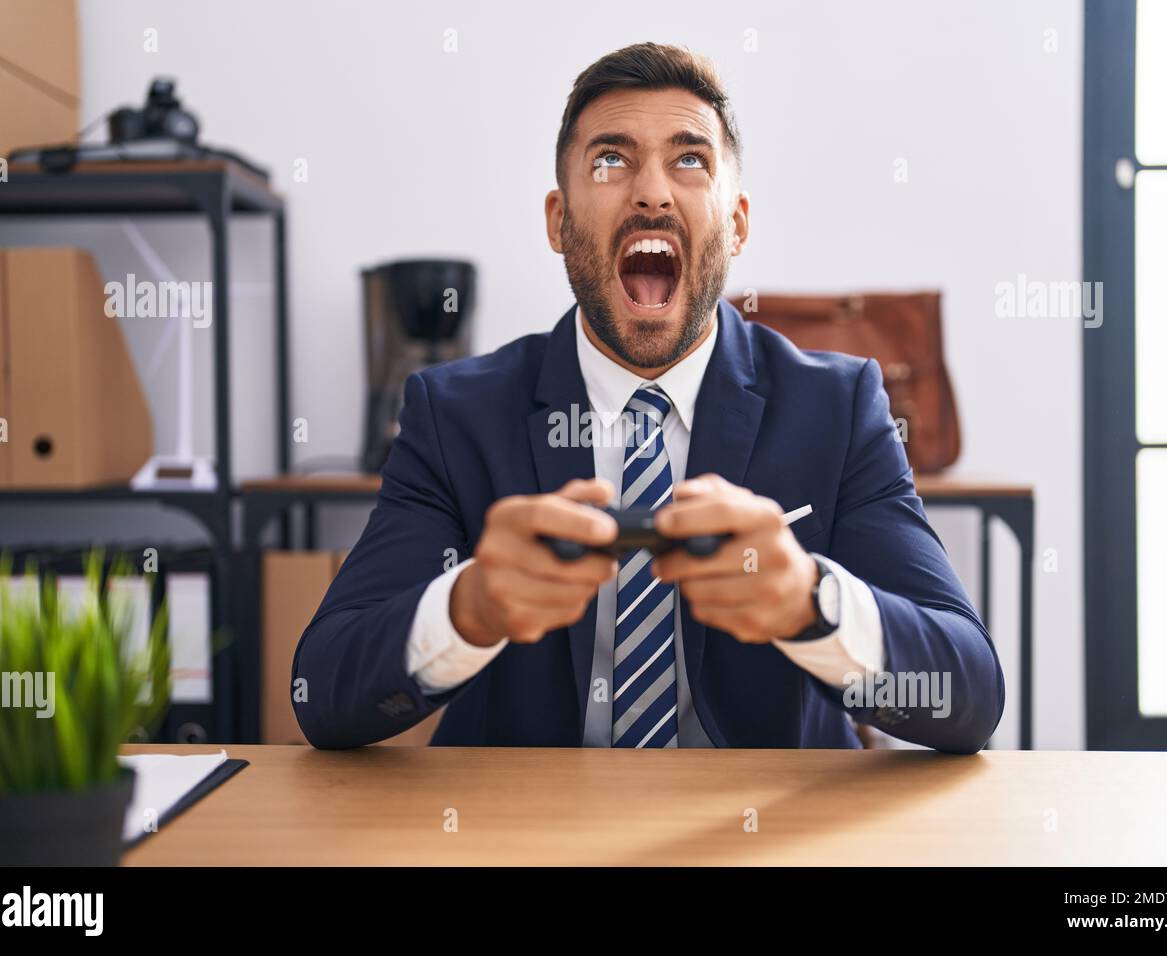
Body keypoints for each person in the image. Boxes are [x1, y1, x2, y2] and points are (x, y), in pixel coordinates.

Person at [292, 42, 1003, 753]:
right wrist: (469, 607)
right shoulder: (454, 416)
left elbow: (968, 695)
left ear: (737, 223)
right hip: (519, 832)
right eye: (611, 160)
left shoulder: (837, 408)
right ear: (558, 221)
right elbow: (323, 696)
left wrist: (808, 602)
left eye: (690, 159)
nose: (652, 192)